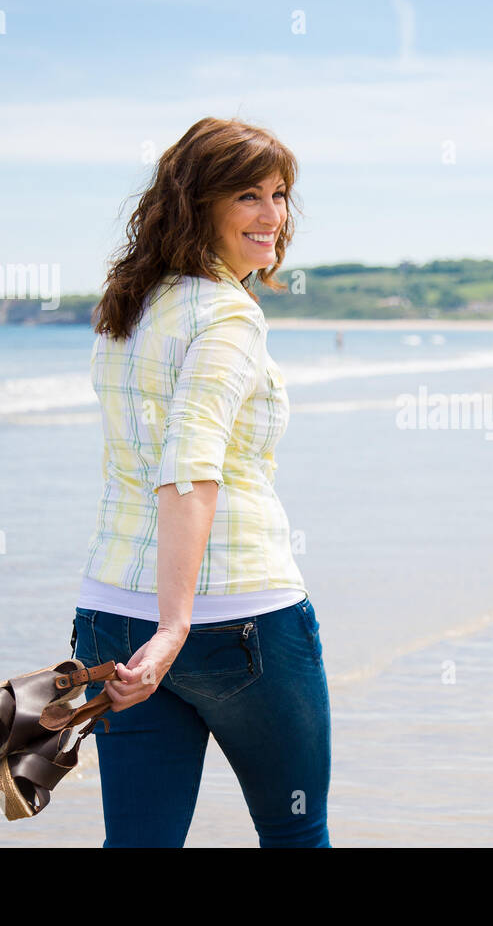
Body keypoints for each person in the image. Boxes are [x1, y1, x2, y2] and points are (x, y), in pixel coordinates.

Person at [71, 116, 330, 847]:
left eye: (280, 195)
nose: (273, 216)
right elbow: (189, 467)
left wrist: (154, 629)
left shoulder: (130, 304)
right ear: (198, 204)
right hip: (236, 620)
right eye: (248, 195)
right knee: (296, 835)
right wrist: (175, 627)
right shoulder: (227, 317)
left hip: (111, 614)